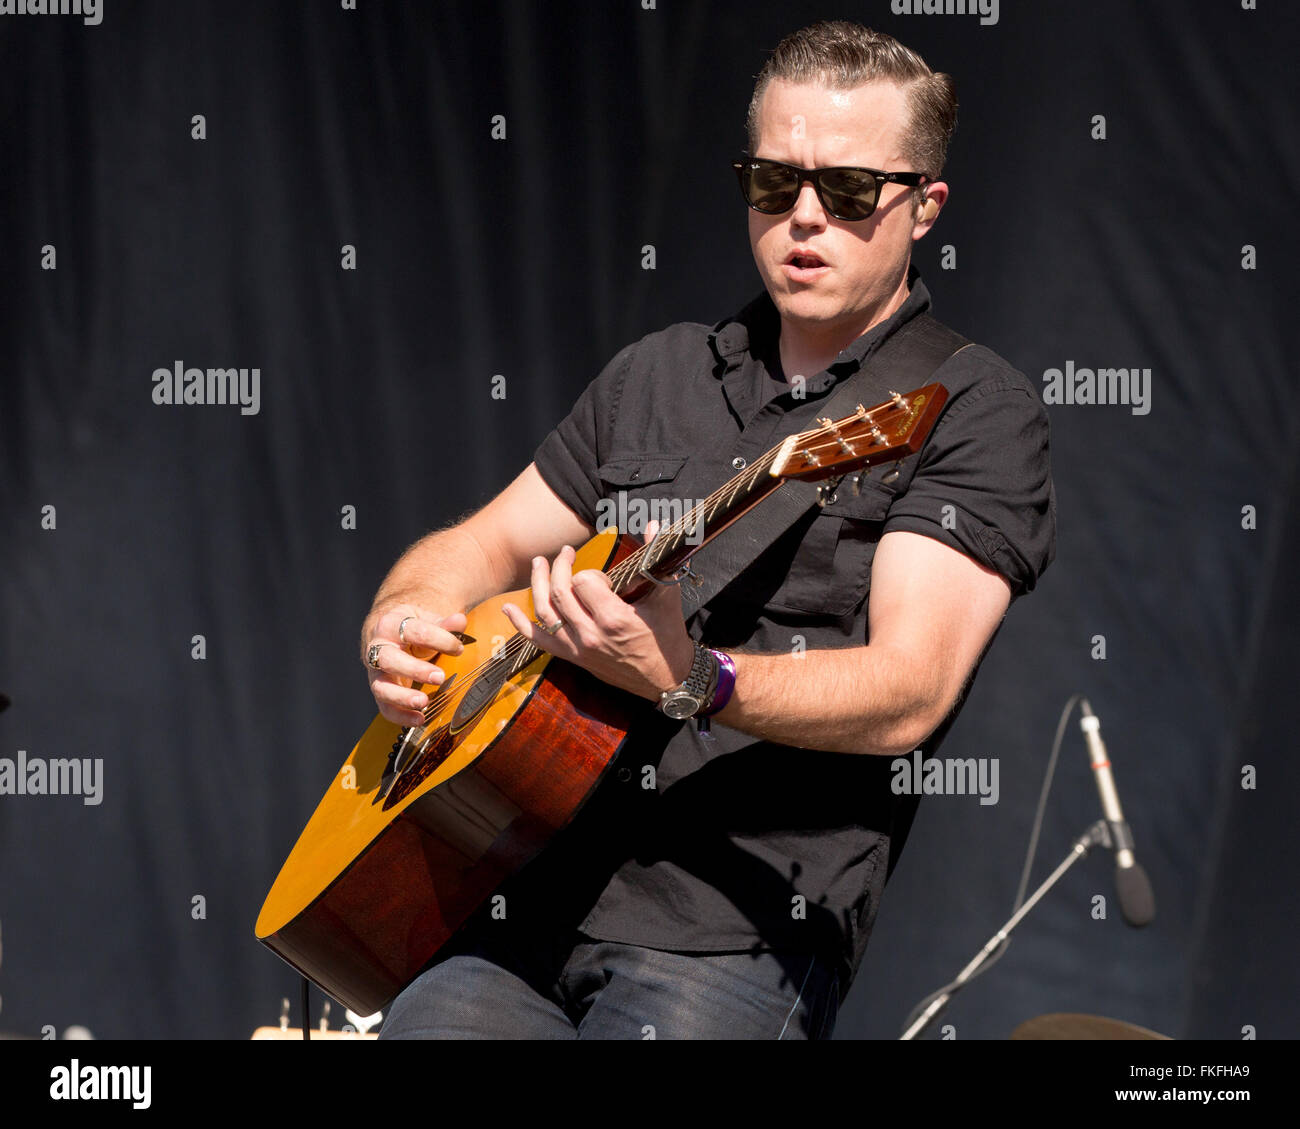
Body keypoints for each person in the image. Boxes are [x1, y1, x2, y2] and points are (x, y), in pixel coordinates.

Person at [366, 20, 1054, 1039]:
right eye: (773, 184)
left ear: (923, 209)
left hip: (734, 935)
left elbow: (910, 688)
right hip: (523, 887)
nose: (804, 218)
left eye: (849, 192)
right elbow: (478, 545)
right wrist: (404, 614)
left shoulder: (970, 405)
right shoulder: (659, 373)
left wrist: (696, 678)